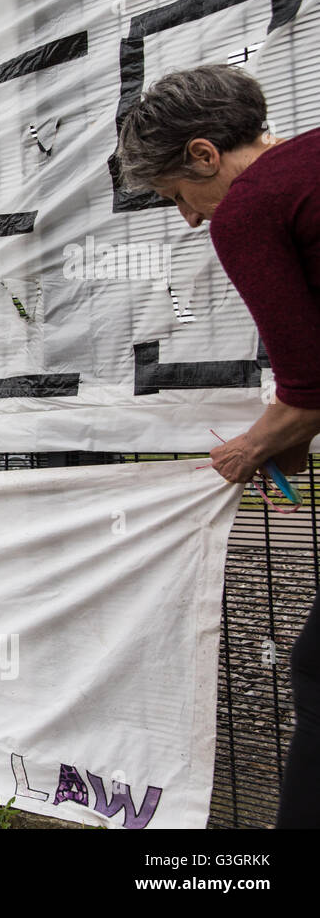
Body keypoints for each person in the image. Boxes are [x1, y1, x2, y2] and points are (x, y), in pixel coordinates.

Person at [118, 63, 320, 827]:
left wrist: (243, 452)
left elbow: (309, 384)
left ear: (204, 154)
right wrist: (288, 438)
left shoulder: (250, 206)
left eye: (176, 196)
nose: (190, 220)